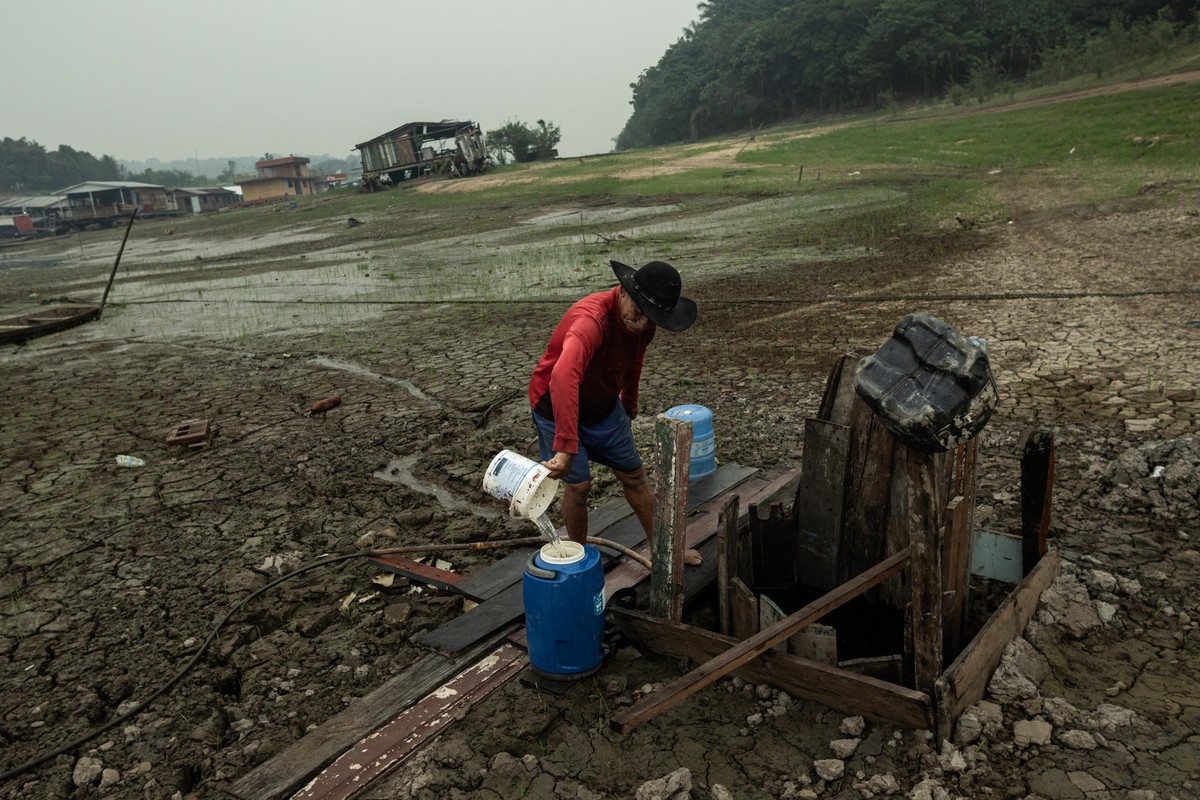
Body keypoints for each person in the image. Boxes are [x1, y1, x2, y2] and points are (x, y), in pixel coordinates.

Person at [528, 259, 702, 566]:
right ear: (623, 292)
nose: (643, 324)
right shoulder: (591, 321)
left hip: (603, 406)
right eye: (639, 312)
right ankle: (578, 561)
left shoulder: (644, 326)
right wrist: (566, 446)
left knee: (634, 475)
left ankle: (666, 552)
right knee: (578, 486)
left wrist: (629, 402)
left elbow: (634, 360)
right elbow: (563, 378)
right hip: (556, 408)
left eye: (652, 319)